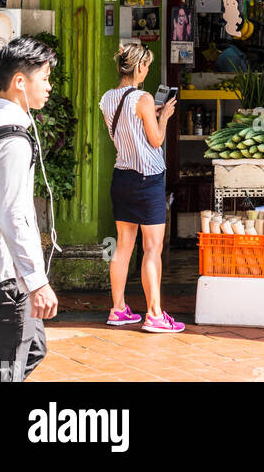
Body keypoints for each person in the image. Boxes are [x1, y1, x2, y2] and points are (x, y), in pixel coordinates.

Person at [0, 36, 59, 383]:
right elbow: (13, 214)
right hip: (6, 275)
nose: (49, 87)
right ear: (20, 82)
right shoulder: (12, 139)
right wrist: (37, 282)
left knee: (34, 347)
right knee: (3, 372)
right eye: (45, 78)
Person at [99, 43, 184, 334]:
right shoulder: (144, 98)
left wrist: (151, 112)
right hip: (148, 180)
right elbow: (156, 140)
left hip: (122, 177)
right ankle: (154, 315)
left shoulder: (107, 98)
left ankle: (118, 308)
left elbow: (126, 125)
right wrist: (163, 117)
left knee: (123, 247)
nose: (147, 70)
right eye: (145, 65)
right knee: (151, 249)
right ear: (138, 68)